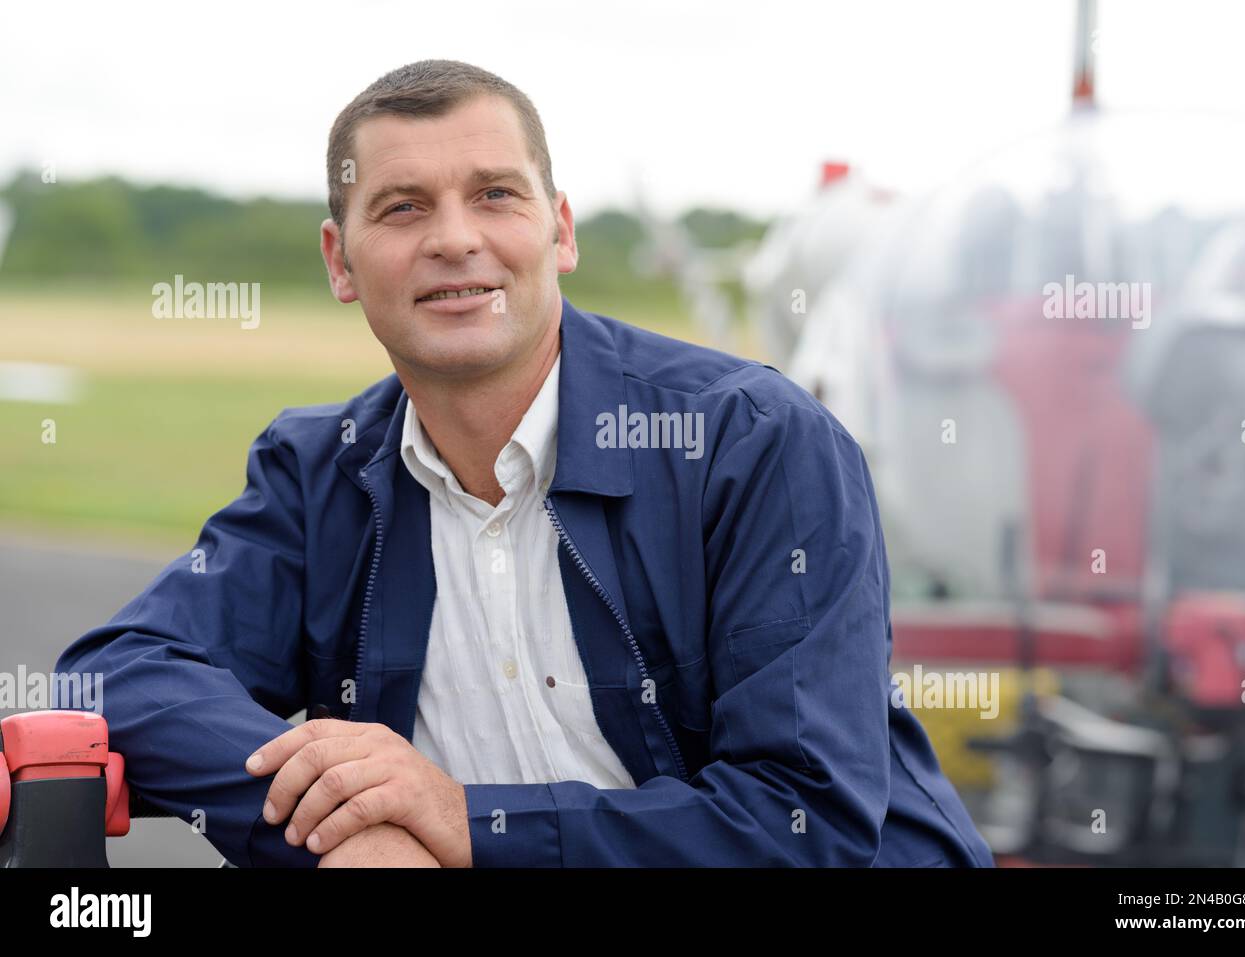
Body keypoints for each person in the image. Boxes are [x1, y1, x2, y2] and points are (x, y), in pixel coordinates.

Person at [56, 59, 994, 868]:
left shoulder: (752, 442)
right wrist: (345, 824)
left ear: (562, 231)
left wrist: (468, 824)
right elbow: (120, 674)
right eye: (403, 206)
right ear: (342, 263)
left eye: (496, 194)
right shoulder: (320, 471)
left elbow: (805, 823)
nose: (455, 238)